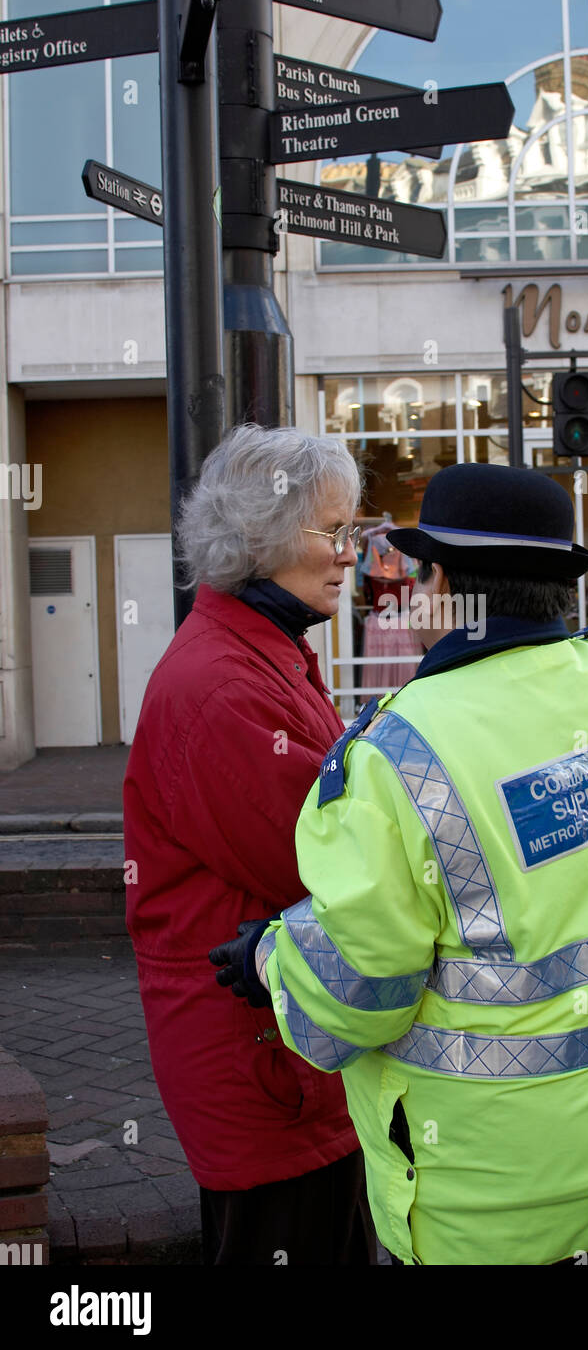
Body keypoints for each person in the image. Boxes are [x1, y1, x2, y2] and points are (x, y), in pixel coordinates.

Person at [211, 463, 588, 1266]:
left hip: (491, 1204)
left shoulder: (393, 758)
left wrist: (267, 956)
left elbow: (360, 993)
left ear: (441, 582)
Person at [123, 424, 376, 1266]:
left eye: (352, 532)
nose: (350, 556)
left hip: (286, 1065)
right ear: (262, 539)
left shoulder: (260, 652)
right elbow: (330, 860)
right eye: (334, 532)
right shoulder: (223, 686)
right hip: (265, 1077)